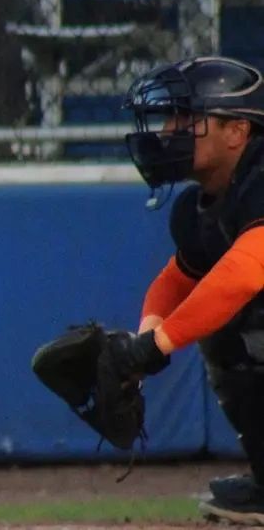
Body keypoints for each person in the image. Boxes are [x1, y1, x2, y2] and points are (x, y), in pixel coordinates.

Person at [104, 56, 264, 524]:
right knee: (226, 330)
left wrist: (161, 343)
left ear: (236, 132)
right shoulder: (204, 206)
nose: (170, 130)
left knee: (236, 312)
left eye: (187, 119)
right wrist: (144, 340)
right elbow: (175, 281)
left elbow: (247, 271)